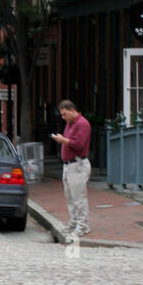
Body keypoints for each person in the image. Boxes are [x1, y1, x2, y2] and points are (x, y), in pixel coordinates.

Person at [51, 99, 92, 242]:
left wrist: (64, 140)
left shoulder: (82, 124)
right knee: (70, 197)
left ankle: (83, 225)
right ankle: (74, 222)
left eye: (65, 114)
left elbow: (79, 145)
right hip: (69, 165)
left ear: (72, 110)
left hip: (77, 164)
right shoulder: (71, 124)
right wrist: (63, 140)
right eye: (62, 115)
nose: (63, 117)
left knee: (78, 197)